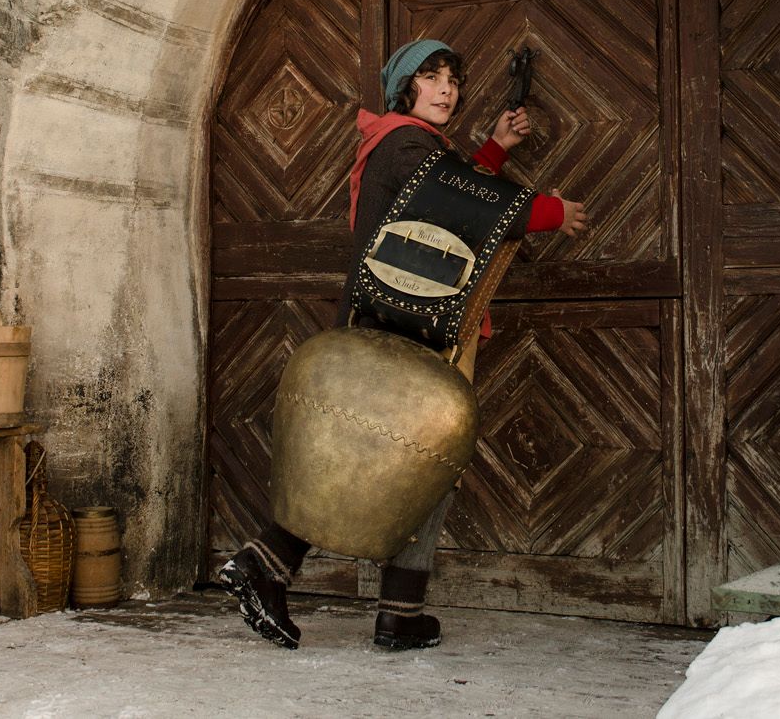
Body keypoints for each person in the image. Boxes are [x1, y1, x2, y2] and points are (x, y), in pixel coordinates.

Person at [219, 39, 588, 651]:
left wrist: (495, 148)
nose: (446, 88)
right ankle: (359, 597)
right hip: (402, 332)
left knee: (412, 460)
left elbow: (446, 204)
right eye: (430, 77)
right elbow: (461, 202)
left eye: (452, 78)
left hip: (408, 328)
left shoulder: (414, 147)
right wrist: (547, 211)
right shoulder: (402, 141)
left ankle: (352, 595)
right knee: (421, 458)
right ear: (404, 88)